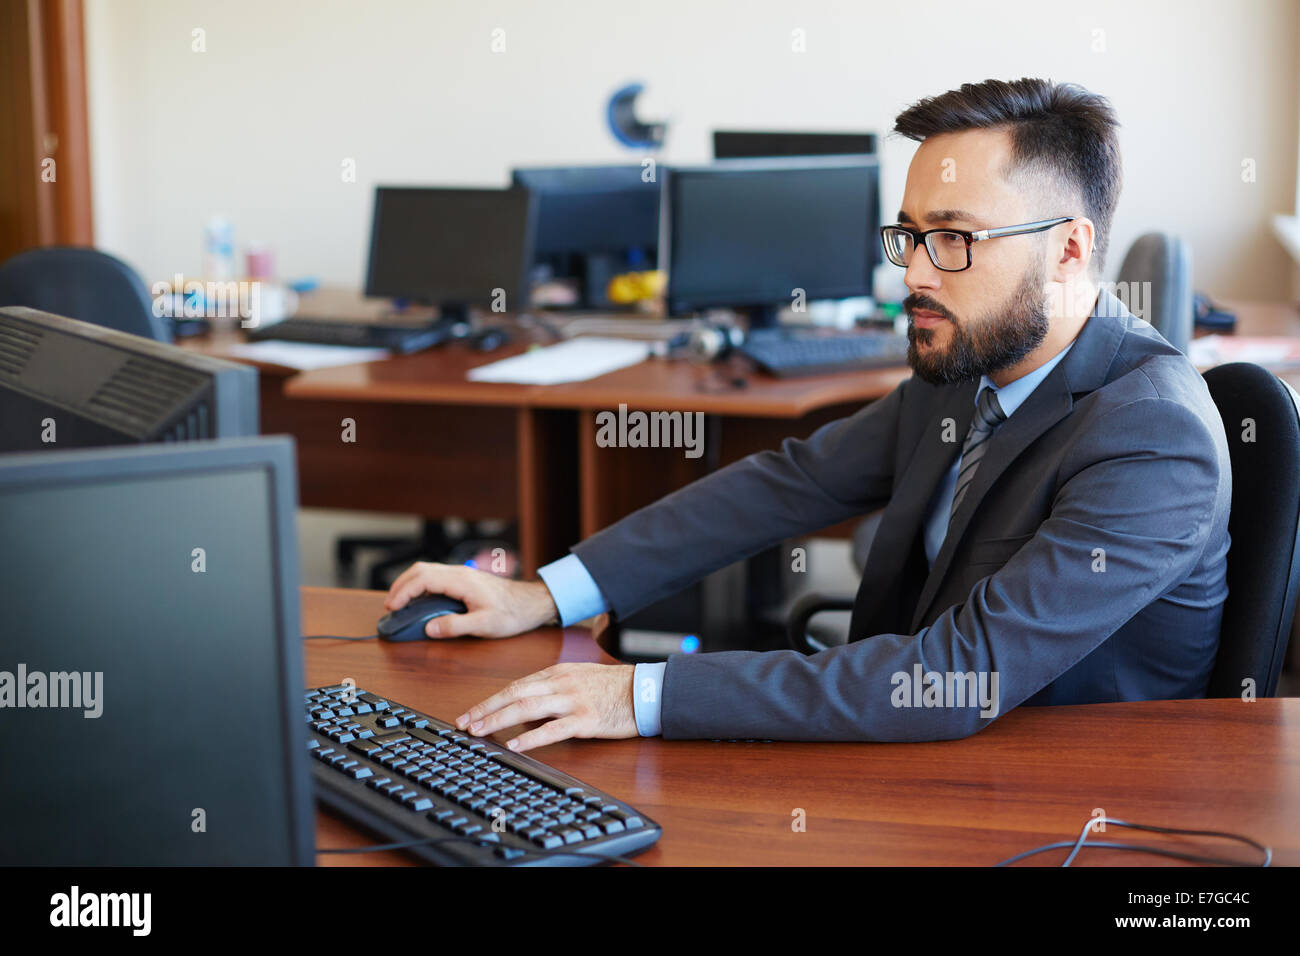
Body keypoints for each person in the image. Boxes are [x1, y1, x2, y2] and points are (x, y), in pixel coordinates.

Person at [386, 77, 1231, 752]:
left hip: (1070, 796)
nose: (915, 275)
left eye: (954, 238)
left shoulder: (1154, 439)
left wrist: (642, 694)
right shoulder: (968, 363)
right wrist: (547, 594)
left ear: (1070, 248)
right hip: (926, 753)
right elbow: (788, 485)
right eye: (909, 236)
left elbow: (958, 672)